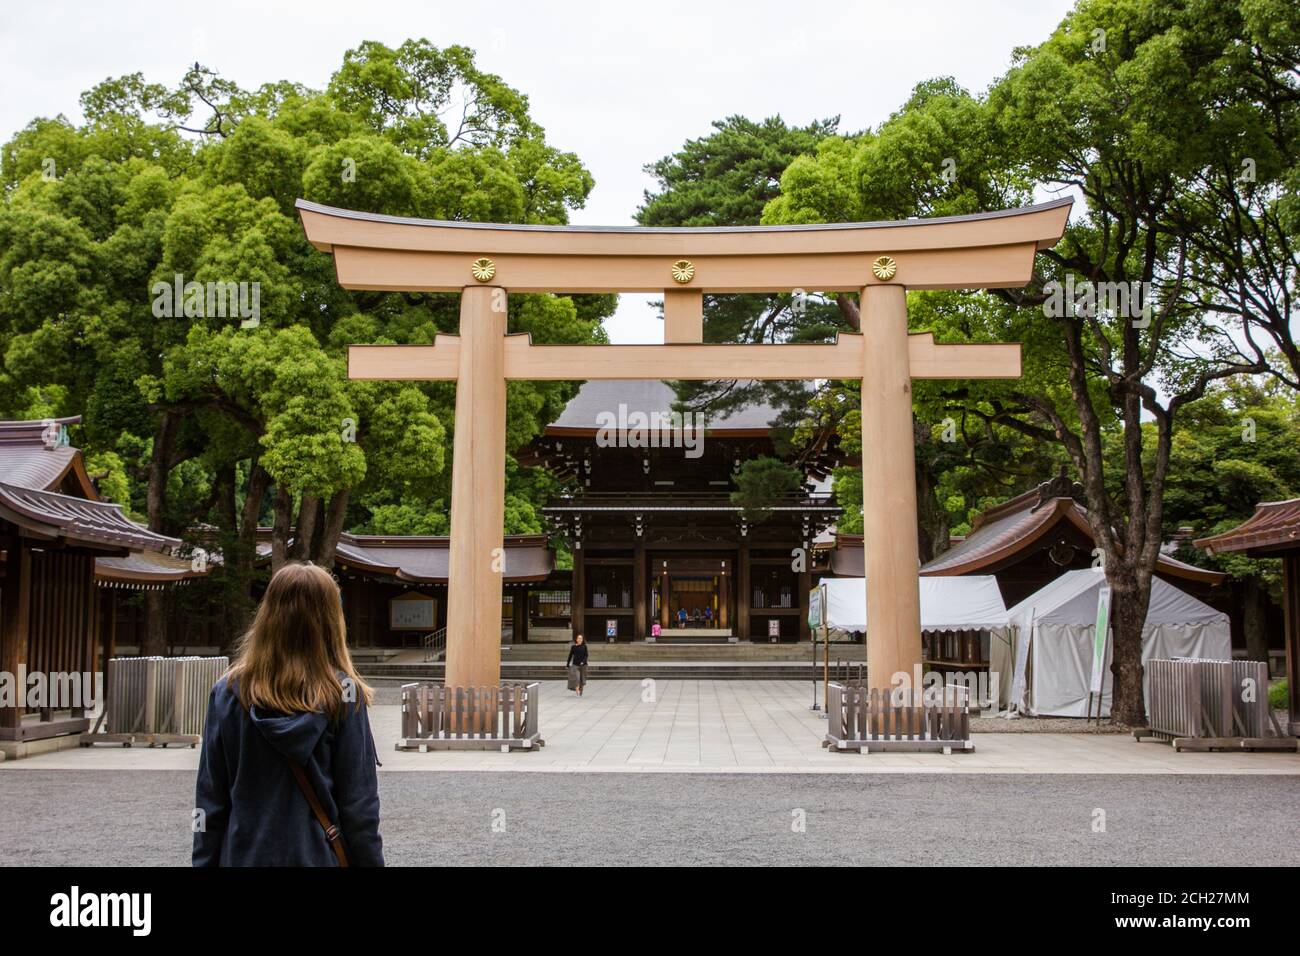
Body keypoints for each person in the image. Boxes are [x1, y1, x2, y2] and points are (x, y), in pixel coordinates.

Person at [193, 562, 384, 867]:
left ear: (267, 615)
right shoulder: (343, 695)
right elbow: (359, 809)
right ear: (331, 620)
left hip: (243, 856)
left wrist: (203, 862)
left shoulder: (228, 693)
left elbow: (211, 802)